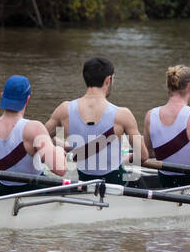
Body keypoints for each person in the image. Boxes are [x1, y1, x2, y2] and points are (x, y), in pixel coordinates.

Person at [44, 56, 147, 184]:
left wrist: (62, 147)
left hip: (85, 183)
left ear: (85, 78)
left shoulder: (64, 110)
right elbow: (142, 156)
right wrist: (126, 157)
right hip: (116, 185)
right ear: (108, 80)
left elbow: (41, 137)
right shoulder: (122, 114)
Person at [0, 75, 67, 192]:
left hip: (3, 192)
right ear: (27, 99)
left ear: (2, 96)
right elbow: (60, 170)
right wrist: (57, 150)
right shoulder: (34, 128)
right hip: (34, 194)